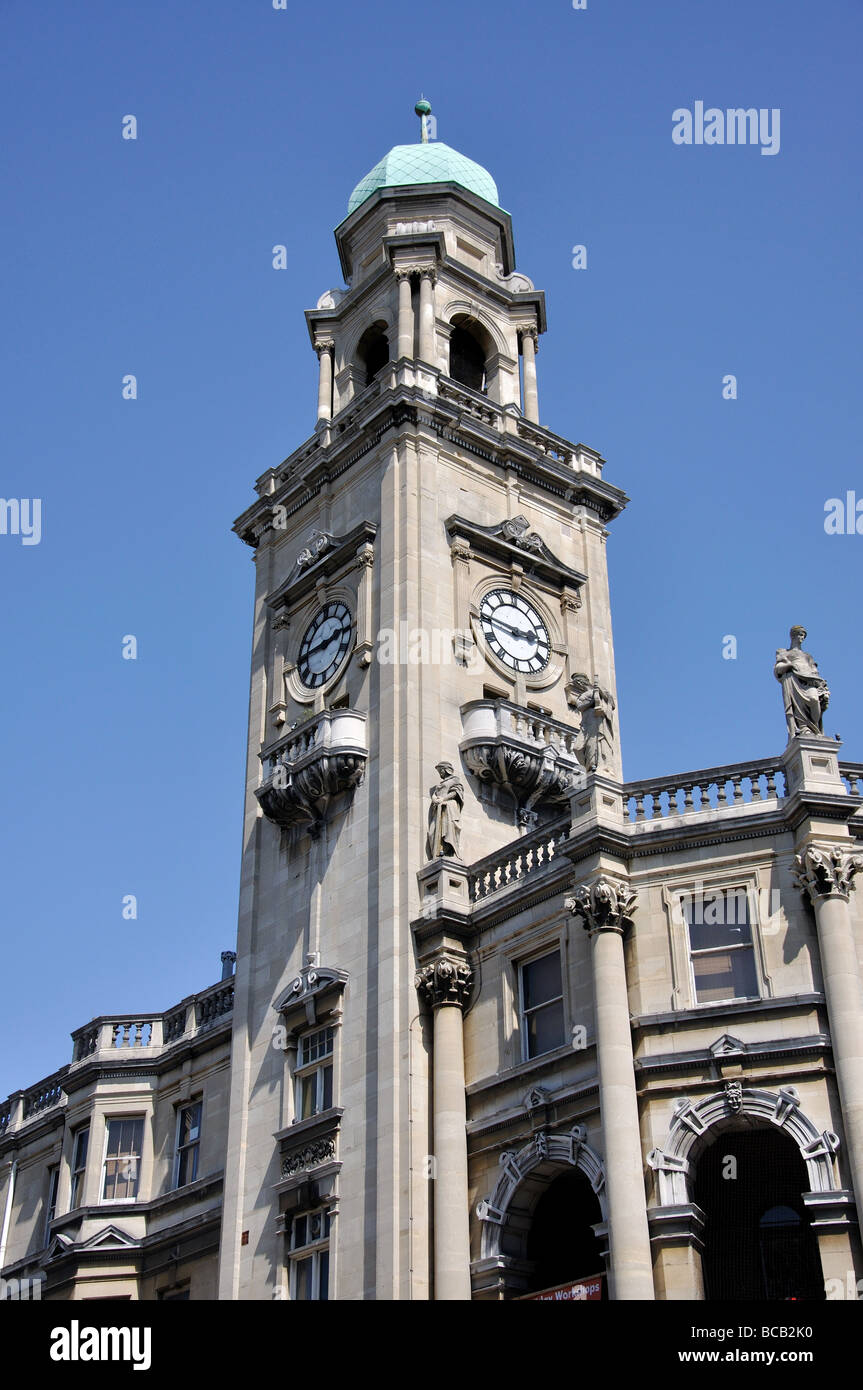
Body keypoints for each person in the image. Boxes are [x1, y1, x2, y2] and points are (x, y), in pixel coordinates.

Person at [773, 627, 829, 738]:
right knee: (798, 706)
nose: (801, 637)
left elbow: (814, 671)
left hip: (808, 682)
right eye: (799, 634)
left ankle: (815, 727)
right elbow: (778, 669)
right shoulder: (784, 652)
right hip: (794, 681)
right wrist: (790, 665)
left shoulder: (807, 656)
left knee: (813, 699)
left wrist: (820, 684)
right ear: (792, 636)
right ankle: (804, 728)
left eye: (803, 635)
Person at [426, 761, 464, 859]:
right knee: (432, 832)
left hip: (448, 807)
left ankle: (446, 851)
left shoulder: (455, 780)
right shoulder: (441, 784)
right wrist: (434, 798)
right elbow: (435, 794)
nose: (440, 774)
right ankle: (437, 852)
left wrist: (443, 799)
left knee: (447, 829)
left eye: (441, 771)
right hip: (438, 808)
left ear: (446, 770)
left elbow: (456, 792)